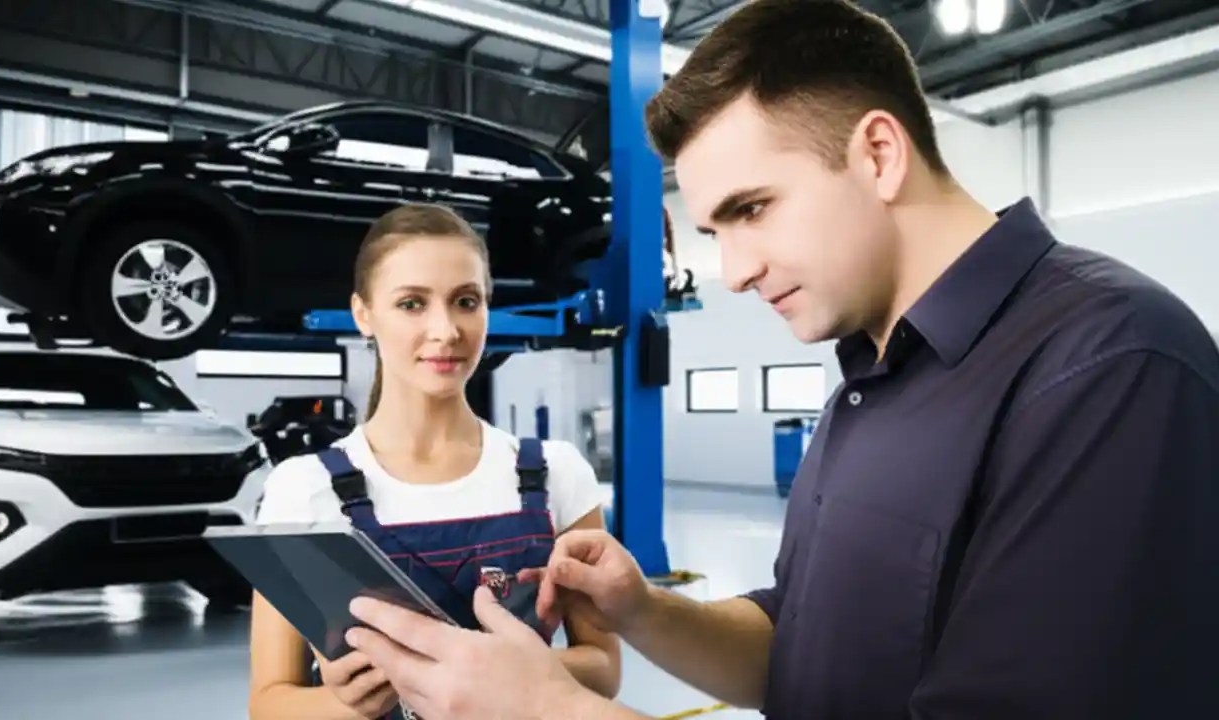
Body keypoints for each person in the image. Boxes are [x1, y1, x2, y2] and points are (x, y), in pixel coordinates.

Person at [342, 1, 1219, 718]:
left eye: (753, 210)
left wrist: (552, 712)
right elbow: (796, 653)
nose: (734, 270)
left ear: (878, 153)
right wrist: (642, 612)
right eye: (718, 231)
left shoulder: (1109, 367)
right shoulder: (870, 384)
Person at [247, 203, 621, 719]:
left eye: (466, 301)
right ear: (363, 313)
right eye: (411, 304)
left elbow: (603, 666)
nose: (445, 330)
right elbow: (269, 705)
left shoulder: (558, 475)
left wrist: (495, 672)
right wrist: (345, 705)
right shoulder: (303, 489)